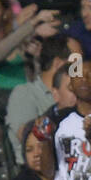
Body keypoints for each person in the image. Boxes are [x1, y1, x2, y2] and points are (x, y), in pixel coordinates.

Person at [6, 34, 76, 162]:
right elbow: (27, 137)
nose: (83, 69)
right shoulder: (25, 93)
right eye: (78, 62)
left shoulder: (79, 97)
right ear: (58, 64)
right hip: (34, 173)